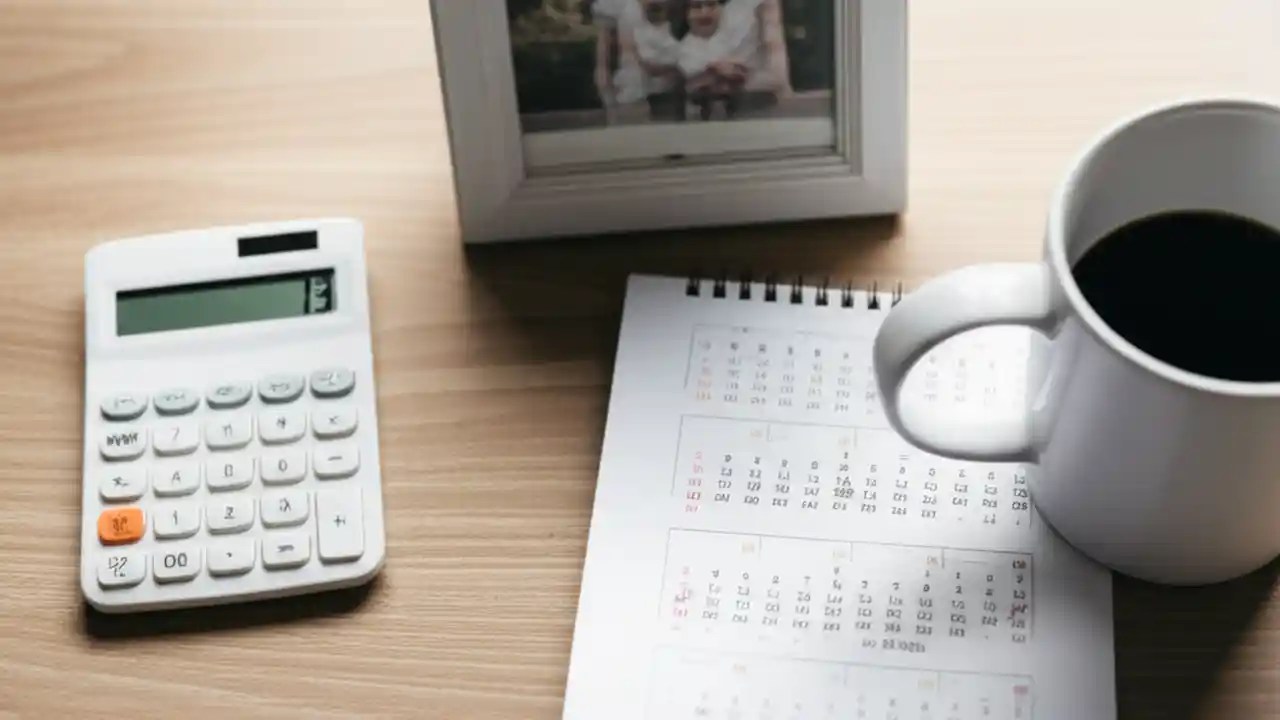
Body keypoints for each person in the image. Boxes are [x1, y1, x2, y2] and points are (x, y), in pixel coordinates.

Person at [677, 0, 792, 120]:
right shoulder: (686, 47)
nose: (704, 12)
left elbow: (777, 77)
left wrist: (738, 76)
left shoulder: (758, 7)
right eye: (697, 7)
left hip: (754, 104)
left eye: (710, 5)